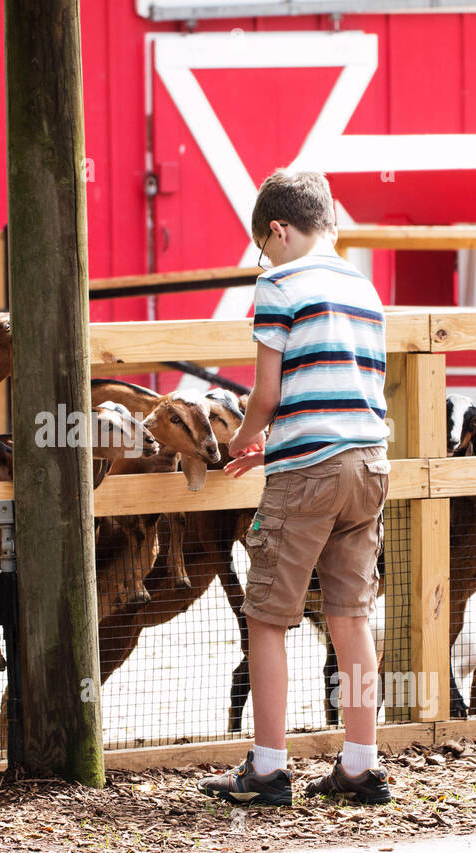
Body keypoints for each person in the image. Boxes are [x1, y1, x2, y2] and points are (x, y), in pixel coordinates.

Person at [196, 169, 392, 807]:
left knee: (268, 617)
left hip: (308, 474)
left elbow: (270, 393)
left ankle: (268, 770)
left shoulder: (278, 282)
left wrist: (244, 438)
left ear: (278, 229)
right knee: (351, 615)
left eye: (264, 244)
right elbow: (341, 392)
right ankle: (361, 766)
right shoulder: (363, 286)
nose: (265, 257)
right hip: (369, 466)